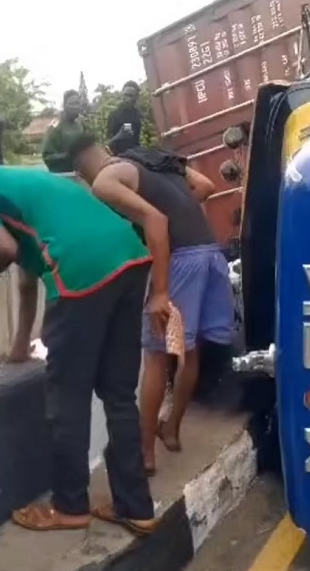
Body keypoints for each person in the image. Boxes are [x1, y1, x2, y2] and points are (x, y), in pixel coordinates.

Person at [0, 136, 158, 535]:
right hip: (130, 255)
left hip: (82, 269)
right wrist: (19, 346)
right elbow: (28, 274)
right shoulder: (21, 182)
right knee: (118, 394)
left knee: (67, 398)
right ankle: (137, 506)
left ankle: (69, 506)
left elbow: (2, 249)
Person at [72, 135, 233, 474]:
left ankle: (145, 453)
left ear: (78, 170)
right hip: (209, 254)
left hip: (181, 263)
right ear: (106, 149)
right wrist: (179, 217)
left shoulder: (105, 181)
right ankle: (171, 430)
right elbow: (206, 187)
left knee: (157, 357)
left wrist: (160, 292)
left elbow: (155, 222)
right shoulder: (153, 160)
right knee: (187, 350)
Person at [41, 90, 86, 173]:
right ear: (65, 105)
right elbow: (47, 156)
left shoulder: (80, 123)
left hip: (80, 174)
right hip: (61, 175)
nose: (76, 107)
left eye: (78, 103)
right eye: (72, 104)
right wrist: (68, 155)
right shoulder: (55, 126)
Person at [106, 81, 144, 154]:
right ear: (122, 95)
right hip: (120, 154)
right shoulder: (114, 115)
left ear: (136, 97)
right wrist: (119, 135)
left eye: (131, 96)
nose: (128, 99)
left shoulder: (137, 114)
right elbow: (108, 143)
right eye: (125, 95)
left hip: (136, 151)